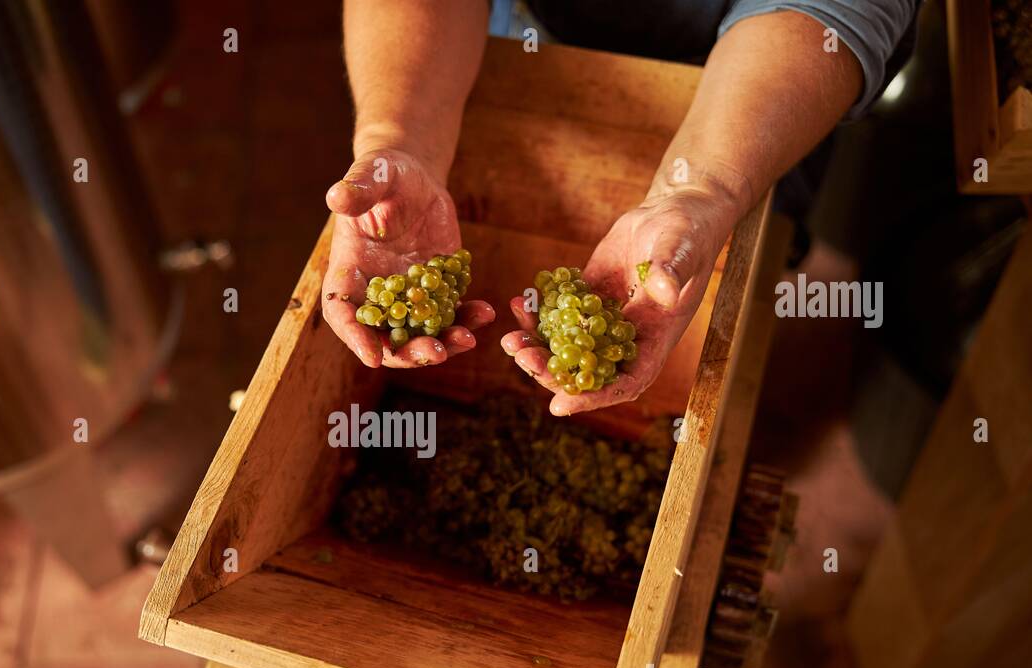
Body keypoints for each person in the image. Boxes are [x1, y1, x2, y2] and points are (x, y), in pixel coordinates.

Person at [321, 0, 918, 415]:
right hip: (494, 57)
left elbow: (837, 10)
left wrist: (699, 192)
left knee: (746, 312)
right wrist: (401, 137)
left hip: (755, 105)